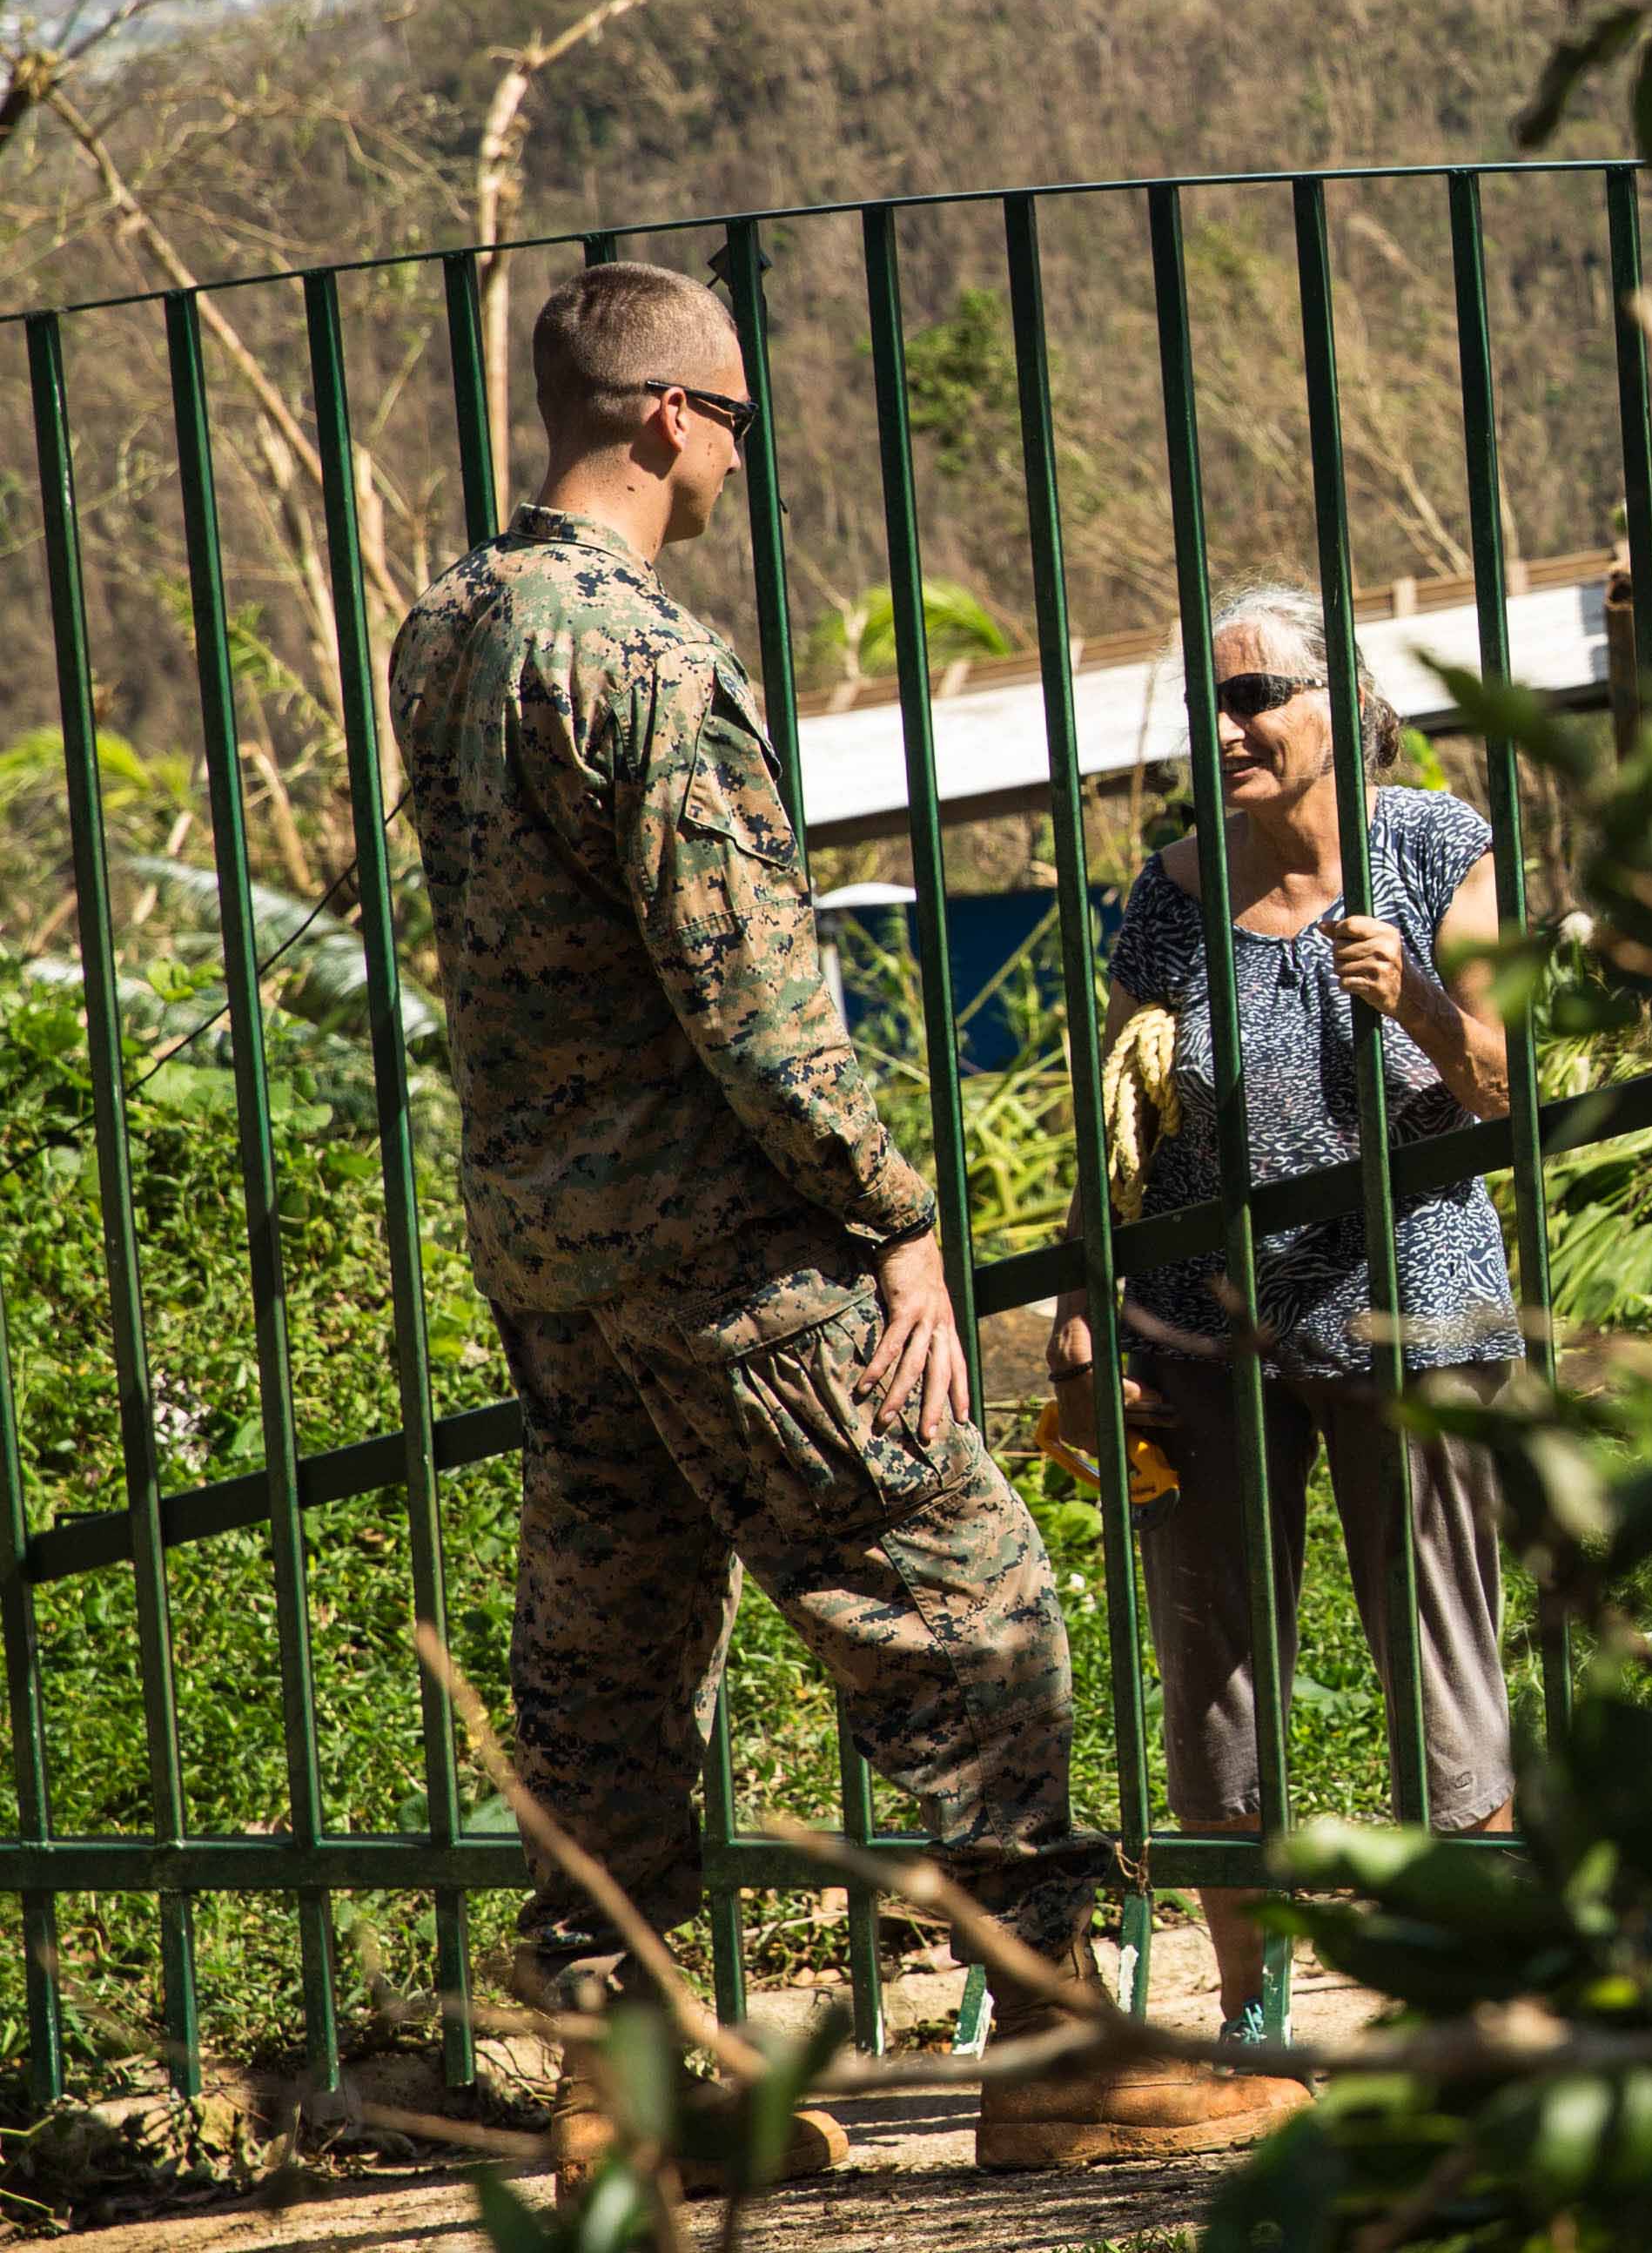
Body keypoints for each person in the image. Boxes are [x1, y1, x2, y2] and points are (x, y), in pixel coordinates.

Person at [389, 261, 1299, 2173]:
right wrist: (893, 1215)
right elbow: (750, 991)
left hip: (550, 1248)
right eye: (732, 423)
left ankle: (617, 2091)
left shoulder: (446, 630)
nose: (736, 459)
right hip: (725, 1252)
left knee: (607, 1655)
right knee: (968, 1596)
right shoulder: (639, 658)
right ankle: (1057, 2048)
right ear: (665, 419)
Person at [1047, 581, 1531, 2045]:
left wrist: (1431, 1011)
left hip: (1414, 1310)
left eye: (1259, 694)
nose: (1233, 725)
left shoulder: (1441, 846)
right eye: (1217, 700)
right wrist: (1081, 1310)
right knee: (1216, 1666)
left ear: (1345, 705)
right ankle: (1250, 2008)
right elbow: (1118, 1109)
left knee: (1440, 1650)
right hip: (1203, 1327)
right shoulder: (1175, 894)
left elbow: (1506, 1093)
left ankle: (1478, 1988)